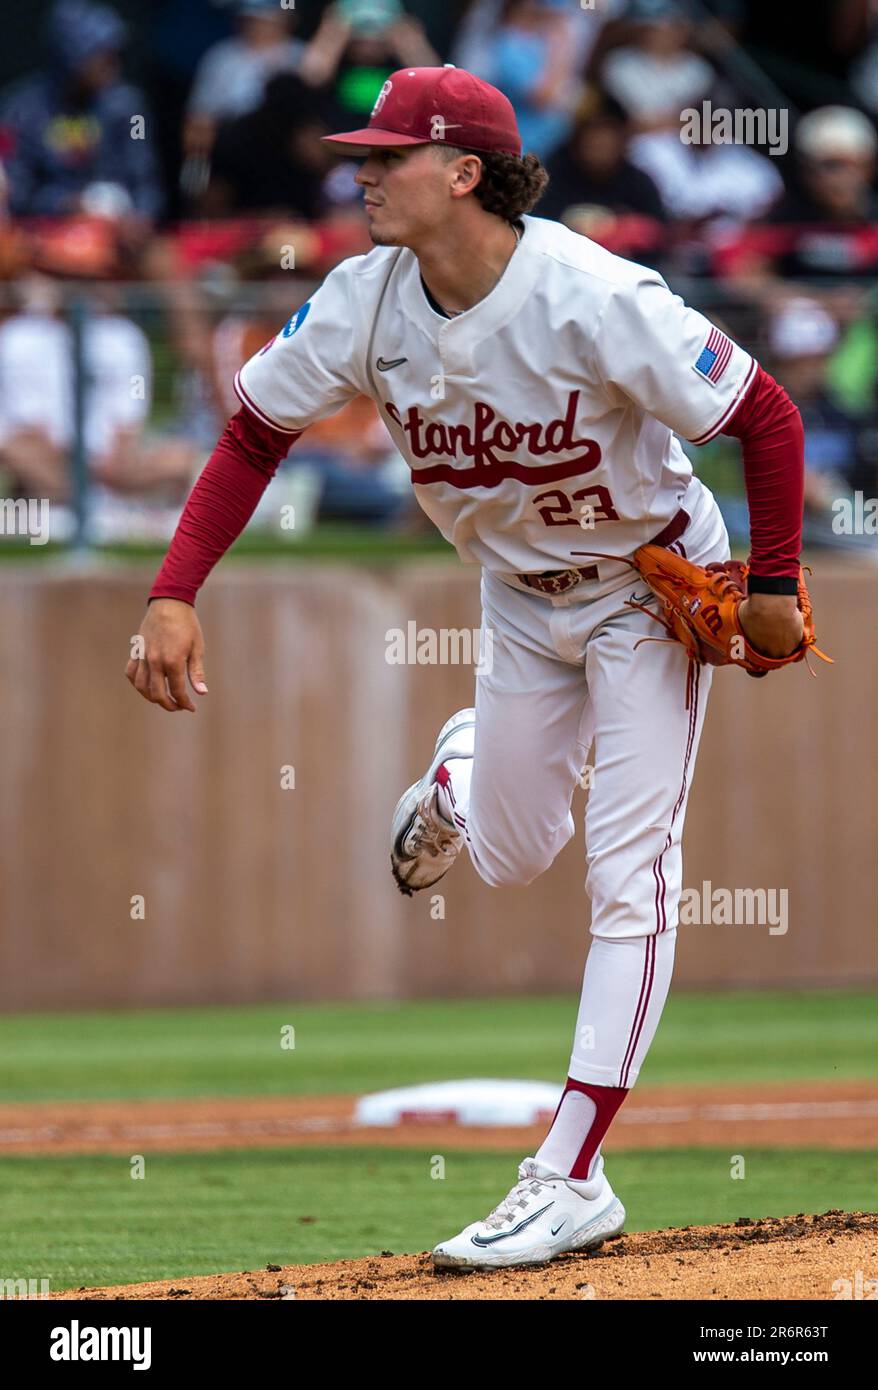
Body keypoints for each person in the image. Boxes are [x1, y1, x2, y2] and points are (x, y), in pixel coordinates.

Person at [126, 66, 806, 1271]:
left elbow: (764, 417)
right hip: (516, 597)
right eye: (365, 153)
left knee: (631, 875)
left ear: (464, 173)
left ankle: (569, 1173)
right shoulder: (362, 300)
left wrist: (768, 585)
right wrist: (173, 591)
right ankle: (460, 778)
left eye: (388, 155)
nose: (362, 172)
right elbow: (250, 430)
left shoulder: (591, 294)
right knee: (508, 850)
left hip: (645, 586)